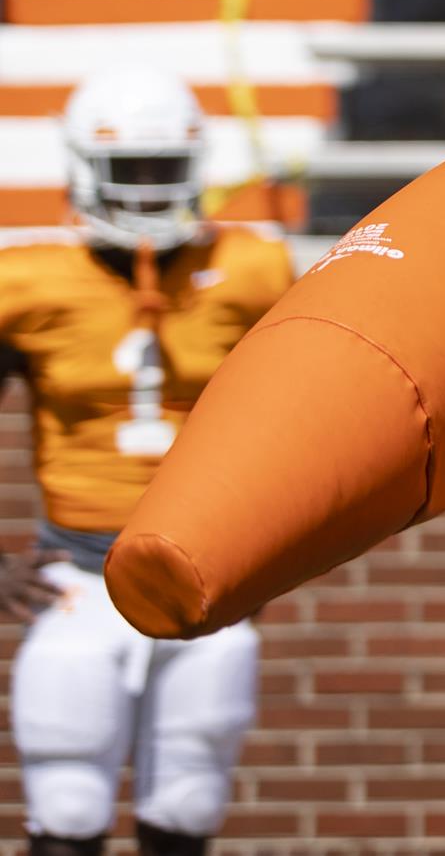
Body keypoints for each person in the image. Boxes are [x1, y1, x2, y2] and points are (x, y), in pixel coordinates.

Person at [0, 69, 292, 856]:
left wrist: (273, 549)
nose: (148, 187)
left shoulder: (254, 267)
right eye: (131, 169)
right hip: (77, 573)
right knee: (66, 804)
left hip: (204, 575)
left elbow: (304, 421)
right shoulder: (25, 281)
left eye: (164, 167)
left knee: (190, 805)